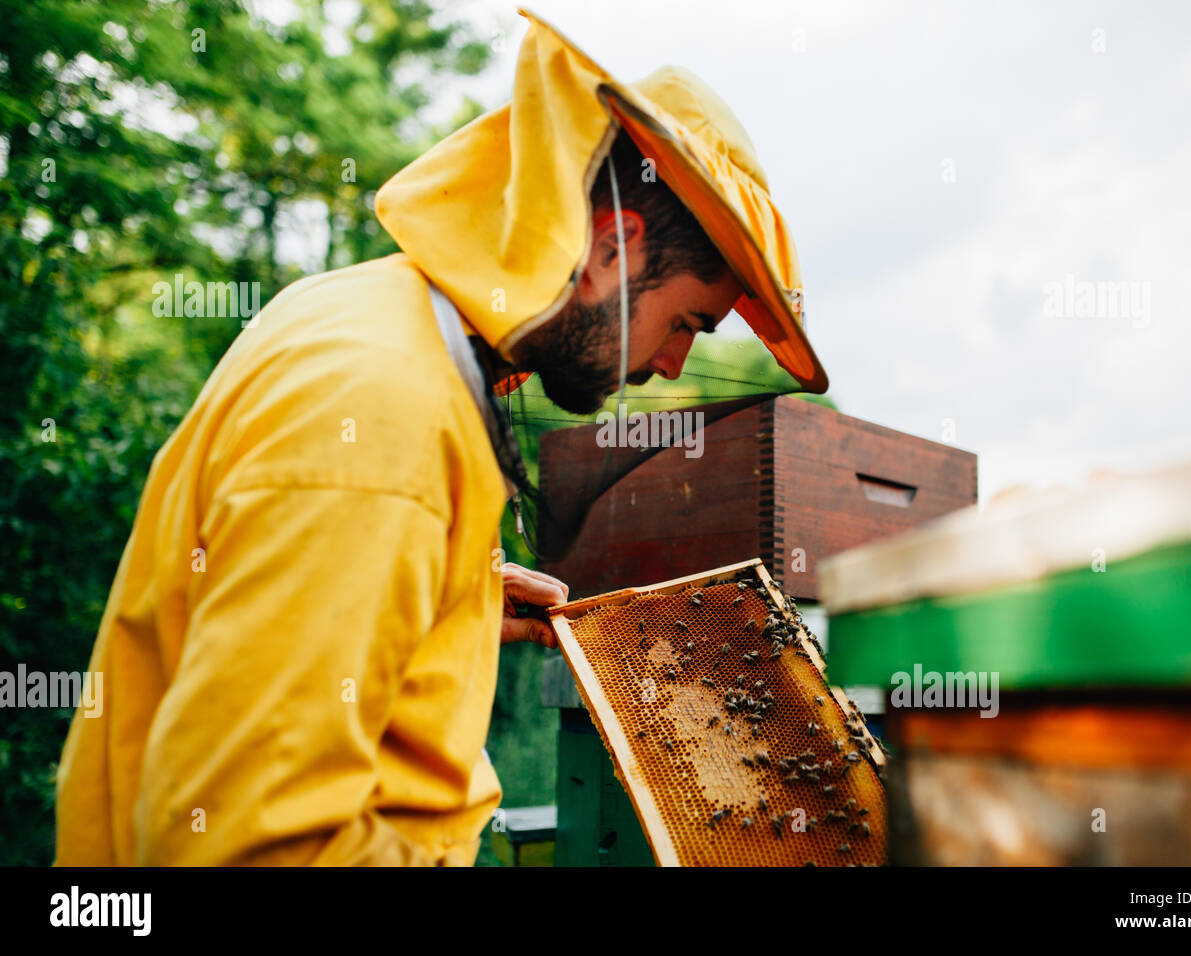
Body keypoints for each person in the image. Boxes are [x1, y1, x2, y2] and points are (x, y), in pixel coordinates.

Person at [54, 11, 826, 865]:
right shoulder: (384, 415)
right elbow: (242, 839)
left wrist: (444, 597)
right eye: (685, 321)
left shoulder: (359, 315)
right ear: (614, 248)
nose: (677, 365)